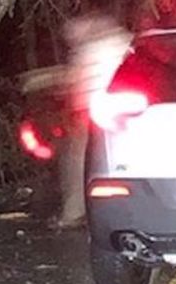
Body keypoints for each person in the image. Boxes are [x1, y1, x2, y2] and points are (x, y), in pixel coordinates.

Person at [56, 13, 131, 228]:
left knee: (77, 161)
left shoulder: (88, 49)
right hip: (123, 112)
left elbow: (78, 84)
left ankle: (72, 213)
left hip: (91, 114)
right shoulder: (125, 42)